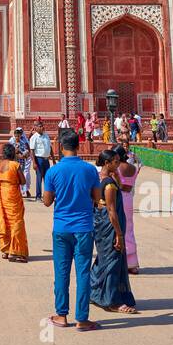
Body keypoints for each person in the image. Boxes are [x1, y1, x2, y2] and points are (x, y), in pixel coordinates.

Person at [42, 129, 102, 332]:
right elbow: (97, 197)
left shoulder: (53, 171)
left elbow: (47, 201)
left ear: (60, 146)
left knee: (61, 272)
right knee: (83, 272)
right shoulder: (90, 170)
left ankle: (61, 315)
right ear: (79, 146)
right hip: (84, 226)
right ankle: (82, 318)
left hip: (61, 227)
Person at [91, 150, 136, 313]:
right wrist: (120, 235)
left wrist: (116, 174)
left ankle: (95, 292)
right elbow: (112, 211)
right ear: (106, 163)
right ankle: (112, 301)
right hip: (110, 228)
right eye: (115, 162)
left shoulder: (101, 179)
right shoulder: (108, 184)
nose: (119, 164)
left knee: (104, 260)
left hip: (100, 225)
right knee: (112, 262)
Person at [116, 147, 140, 273]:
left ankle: (120, 261)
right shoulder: (133, 168)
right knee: (129, 228)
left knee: (118, 229)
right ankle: (132, 263)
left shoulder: (117, 168)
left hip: (119, 198)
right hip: (129, 198)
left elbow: (118, 184)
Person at [29, 125, 52, 201]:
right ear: (36, 128)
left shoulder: (46, 136)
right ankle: (38, 196)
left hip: (46, 160)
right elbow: (32, 150)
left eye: (42, 126)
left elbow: (50, 147)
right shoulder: (34, 137)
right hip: (39, 159)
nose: (42, 128)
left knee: (47, 178)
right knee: (39, 178)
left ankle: (47, 196)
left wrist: (54, 160)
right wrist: (34, 162)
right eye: (40, 126)